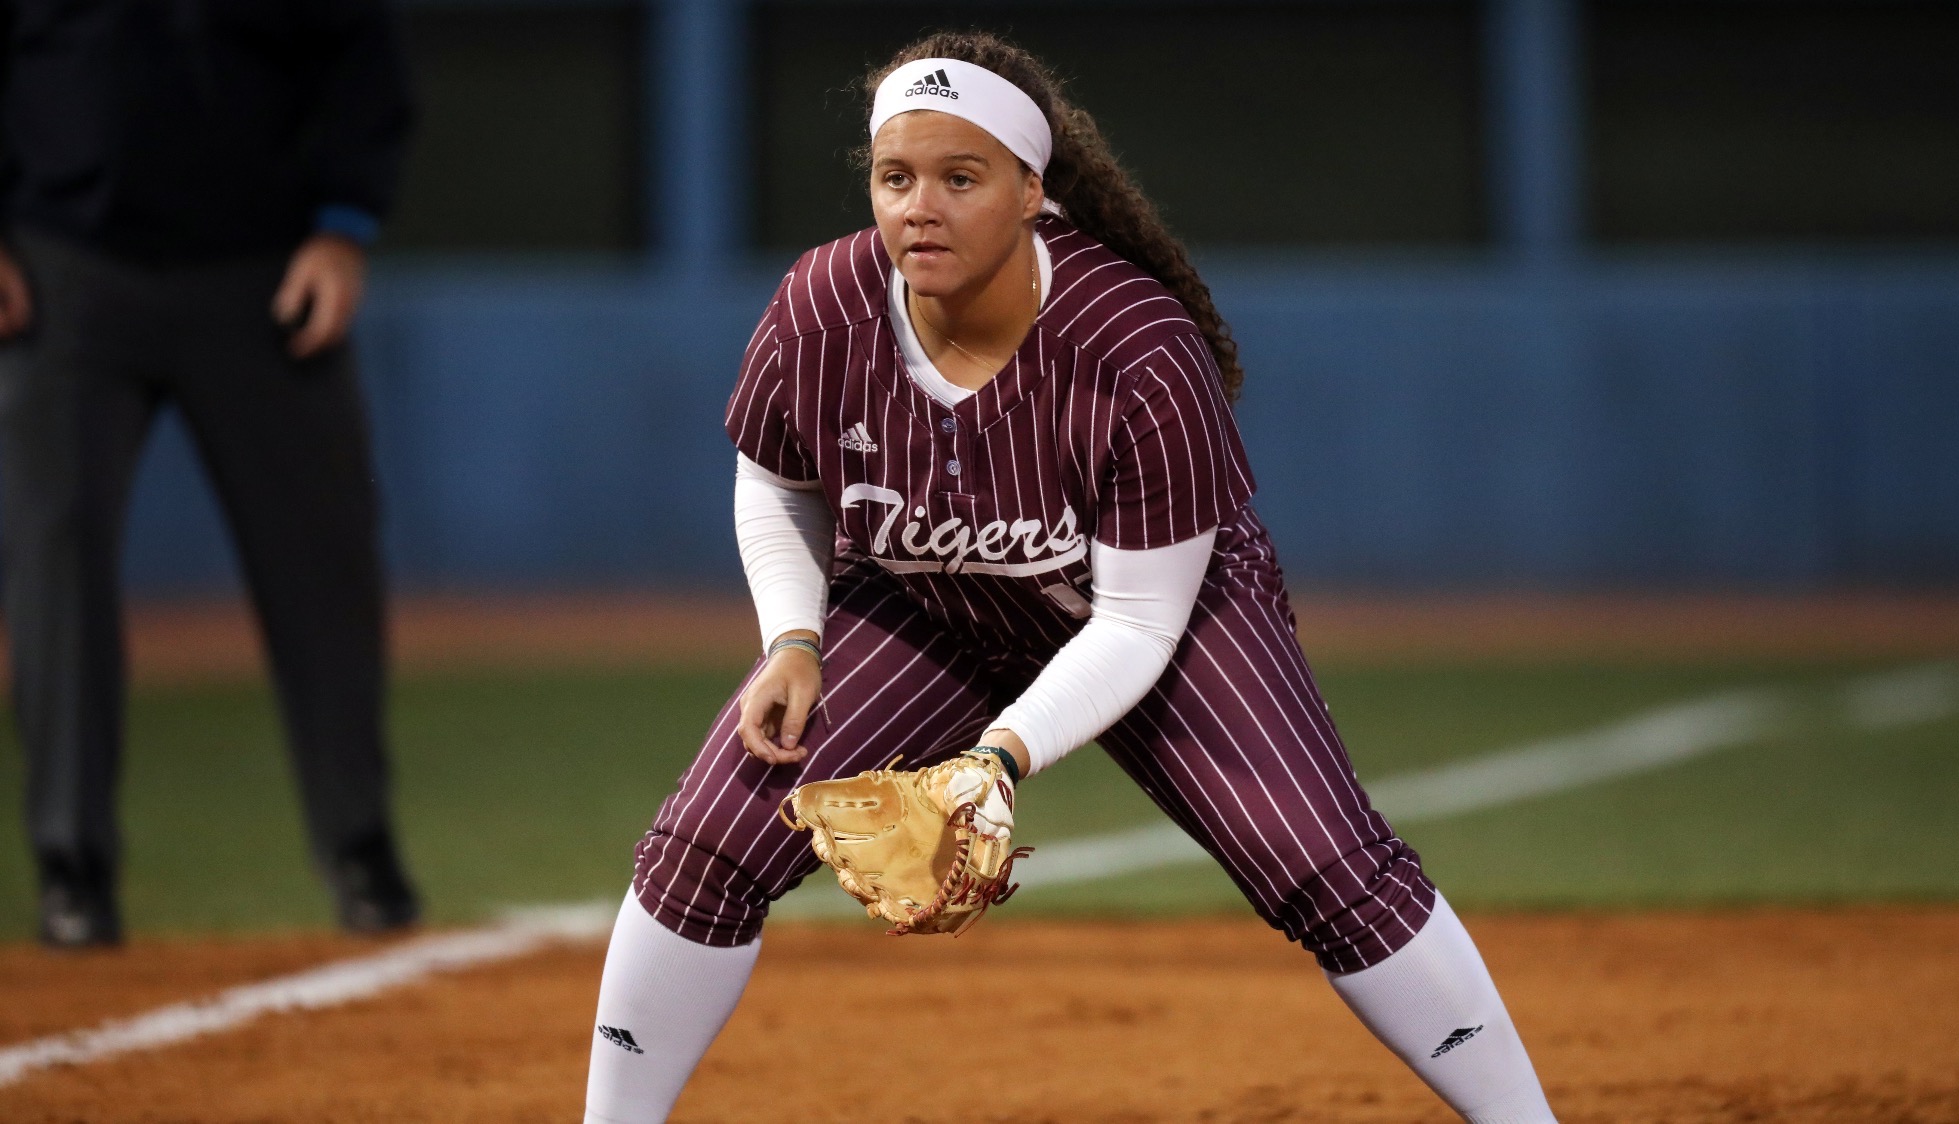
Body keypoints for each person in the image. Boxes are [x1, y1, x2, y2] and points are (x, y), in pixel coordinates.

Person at [584, 31, 1558, 1124]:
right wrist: (793, 638)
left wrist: (998, 755)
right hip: (924, 602)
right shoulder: (822, 307)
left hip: (1162, 611)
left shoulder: (1132, 345)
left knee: (1322, 861)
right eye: (894, 177)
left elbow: (1138, 621)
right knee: (704, 845)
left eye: (960, 178)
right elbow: (773, 479)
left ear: (1031, 192)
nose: (920, 207)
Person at [0, 0, 419, 947]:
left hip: (268, 270)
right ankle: (73, 866)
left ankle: (360, 849)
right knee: (52, 564)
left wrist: (343, 228)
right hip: (62, 268)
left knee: (326, 565)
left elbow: (364, 53)